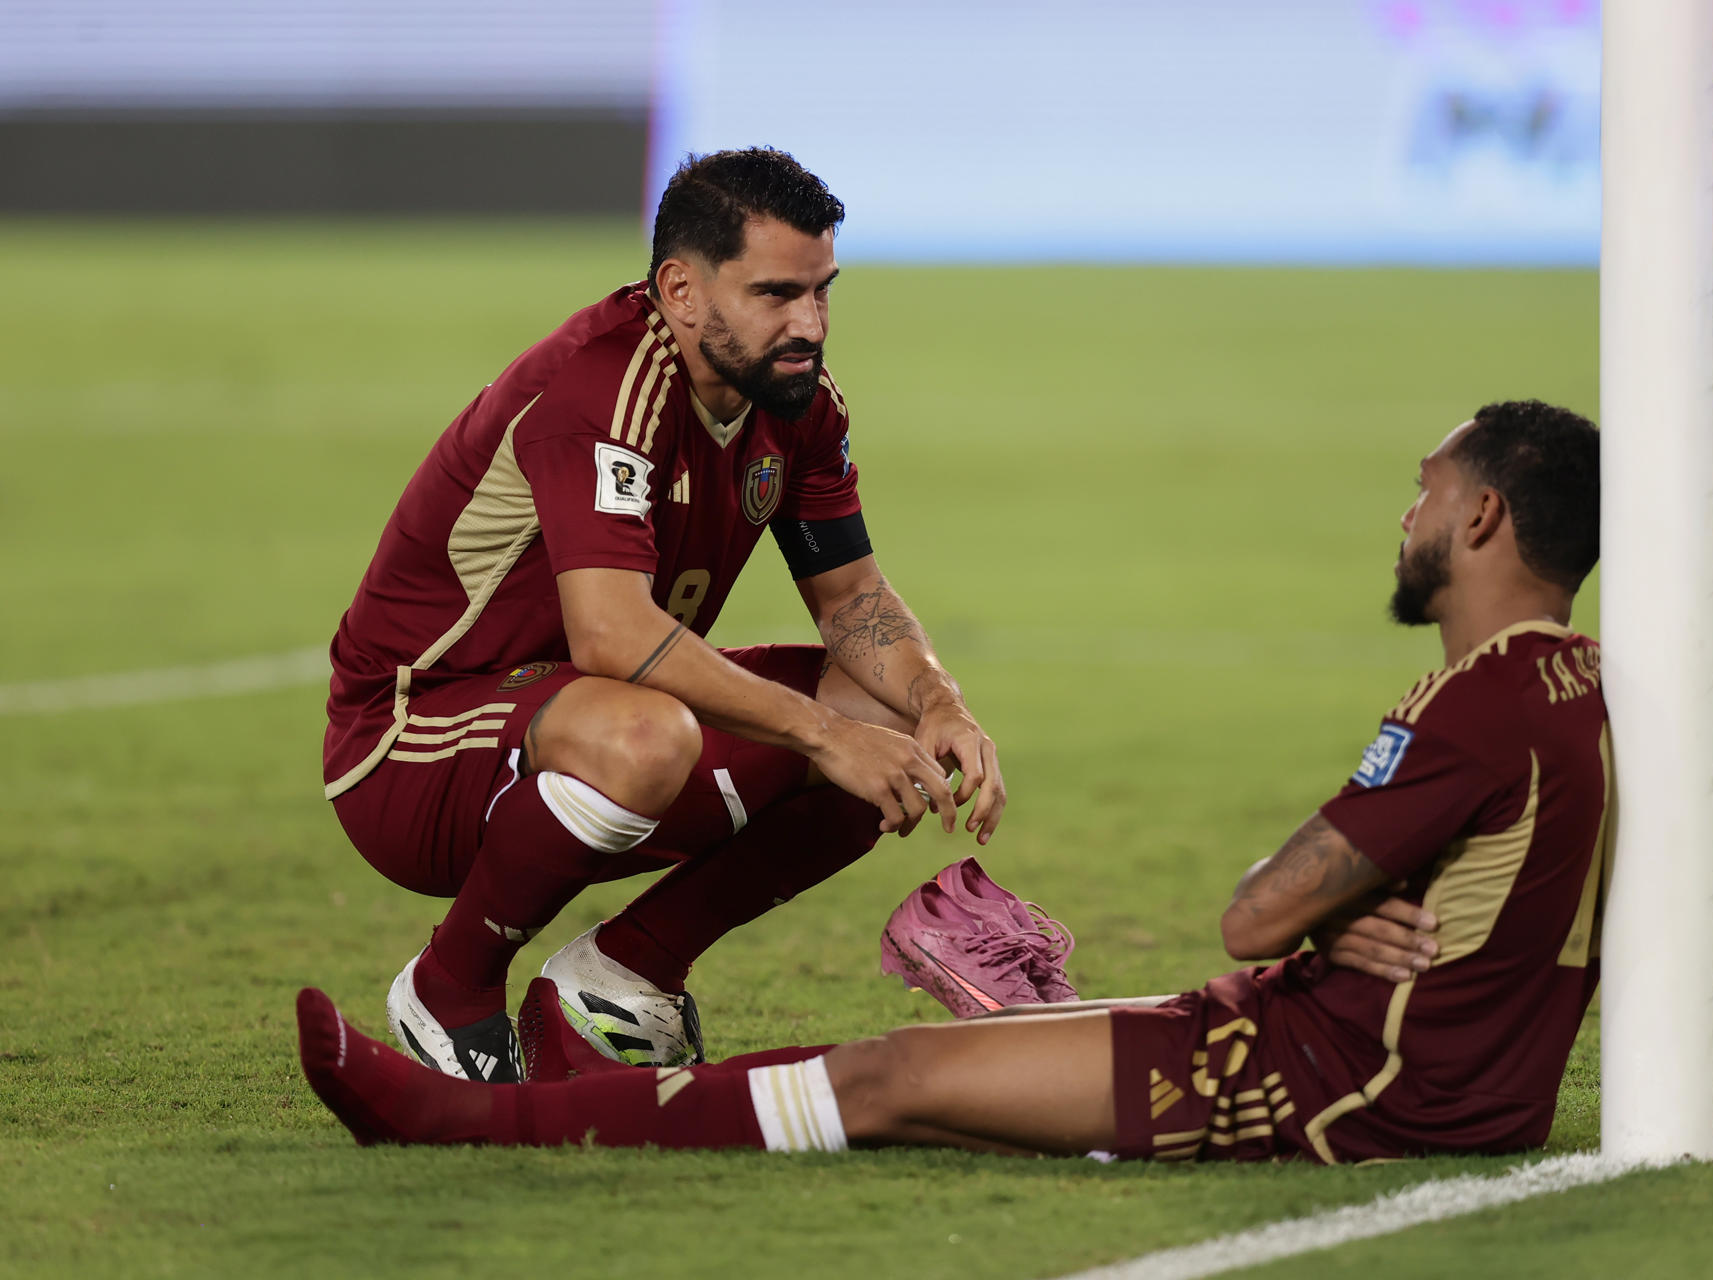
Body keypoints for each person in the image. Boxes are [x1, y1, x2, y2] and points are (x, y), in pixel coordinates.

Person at [299, 400, 1608, 1165]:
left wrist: (1313, 905)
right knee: (933, 1068)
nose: (1407, 514)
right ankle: (583, 1035)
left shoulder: (1472, 704)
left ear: (1484, 520)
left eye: (1427, 493)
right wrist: (1356, 907)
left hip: (1331, 1074)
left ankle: (468, 1115)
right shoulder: (1576, 681)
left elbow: (1253, 916)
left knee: (894, 1078)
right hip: (1375, 1051)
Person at [322, 148, 1006, 1084]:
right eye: (776, 294)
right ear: (681, 289)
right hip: (411, 745)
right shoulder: (602, 386)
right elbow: (613, 636)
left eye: (823, 291)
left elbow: (852, 599)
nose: (809, 324)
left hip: (582, 719)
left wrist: (939, 702)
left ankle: (626, 973)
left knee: (883, 721)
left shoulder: (794, 400)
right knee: (659, 734)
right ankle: (450, 989)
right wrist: (816, 734)